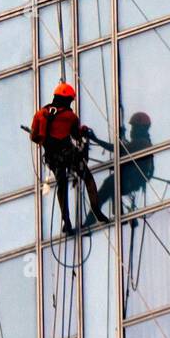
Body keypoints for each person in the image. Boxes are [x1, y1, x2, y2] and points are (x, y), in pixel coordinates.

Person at [28, 81, 110, 235]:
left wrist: (44, 138)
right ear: (67, 100)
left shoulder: (40, 114)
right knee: (88, 178)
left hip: (53, 157)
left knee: (62, 185)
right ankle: (96, 210)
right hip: (69, 154)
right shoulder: (70, 116)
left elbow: (34, 137)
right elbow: (76, 135)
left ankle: (67, 221)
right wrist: (83, 131)